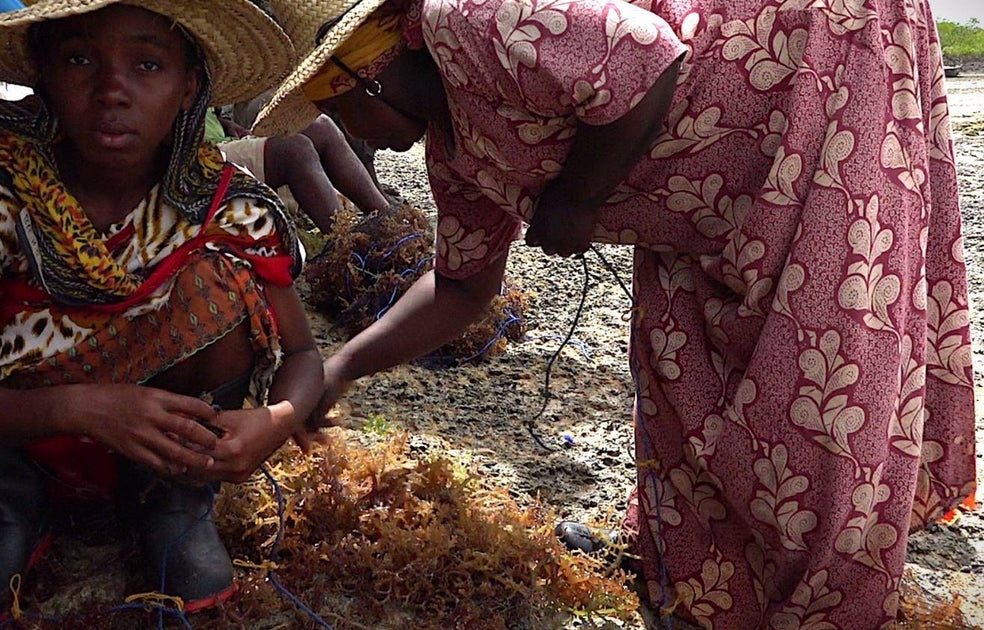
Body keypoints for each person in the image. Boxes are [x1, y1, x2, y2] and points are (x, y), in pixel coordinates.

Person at [251, 0, 979, 628]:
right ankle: (697, 581)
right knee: (676, 359)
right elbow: (462, 288)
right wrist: (344, 367)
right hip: (704, 195)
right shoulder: (457, 152)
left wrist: (578, 198)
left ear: (366, 69)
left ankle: (818, 605)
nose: (355, 130)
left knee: (817, 386)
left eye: (339, 107)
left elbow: (647, 56)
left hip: (813, 75)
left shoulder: (462, 17)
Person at [0, 1, 323, 627]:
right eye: (79, 60)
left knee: (224, 277)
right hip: (1, 423)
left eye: (147, 64)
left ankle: (171, 502)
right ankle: (5, 501)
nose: (111, 90)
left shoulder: (227, 208)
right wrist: (82, 405)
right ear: (42, 74)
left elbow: (305, 355)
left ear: (188, 88)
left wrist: (276, 421)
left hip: (148, 442)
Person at [206, 108, 392, 233]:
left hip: (222, 140)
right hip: (201, 155)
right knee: (295, 150)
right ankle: (348, 244)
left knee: (321, 126)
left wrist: (223, 122)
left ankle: (390, 220)